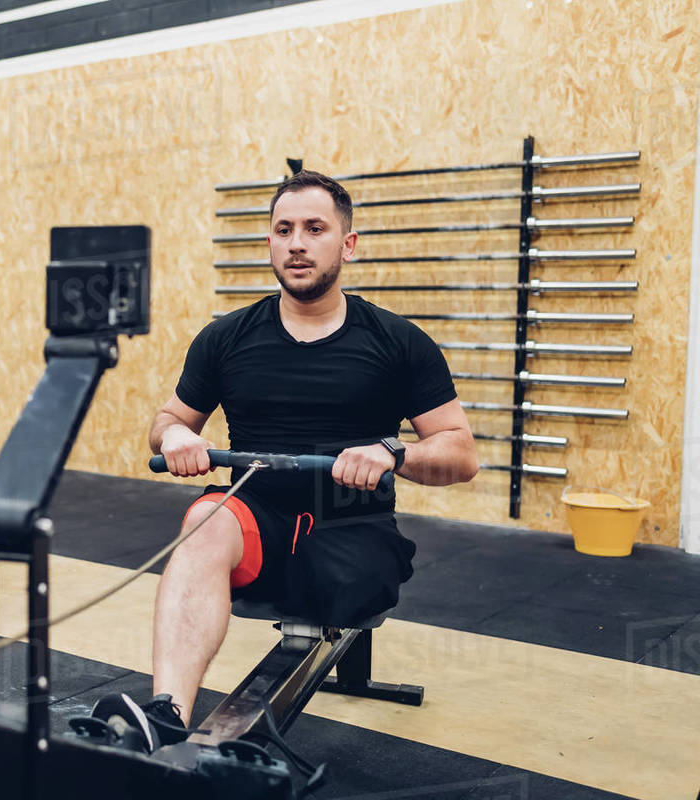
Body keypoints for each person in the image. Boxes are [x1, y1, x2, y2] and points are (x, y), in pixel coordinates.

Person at [92, 169, 479, 751]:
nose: (297, 242)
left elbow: (461, 453)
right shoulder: (224, 339)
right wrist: (173, 439)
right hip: (255, 522)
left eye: (315, 228)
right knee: (202, 519)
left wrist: (393, 451)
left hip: (352, 529)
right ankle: (165, 713)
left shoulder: (399, 342)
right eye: (284, 229)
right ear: (270, 242)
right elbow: (167, 423)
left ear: (346, 244)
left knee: (338, 595)